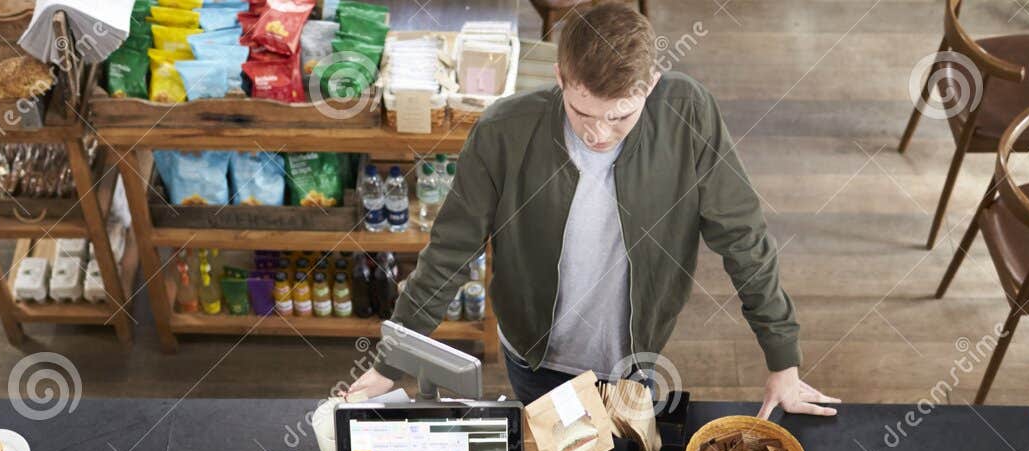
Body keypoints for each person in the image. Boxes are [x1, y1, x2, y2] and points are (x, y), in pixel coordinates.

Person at [346, 1, 837, 418]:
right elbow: (449, 252)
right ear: (560, 77)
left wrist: (783, 361)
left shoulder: (688, 112)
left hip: (634, 359)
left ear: (651, 84)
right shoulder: (503, 131)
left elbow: (743, 238)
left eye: (620, 116)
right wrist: (391, 362)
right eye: (582, 113)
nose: (599, 134)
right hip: (536, 357)